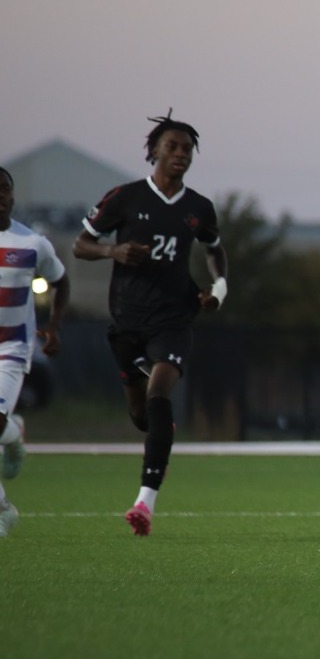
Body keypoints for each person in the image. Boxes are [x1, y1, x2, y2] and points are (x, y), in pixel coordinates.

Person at [73, 113, 229, 536]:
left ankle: (144, 503)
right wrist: (114, 251)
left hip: (174, 318)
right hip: (127, 320)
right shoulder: (125, 198)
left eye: (187, 149)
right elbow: (81, 245)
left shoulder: (198, 207)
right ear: (154, 150)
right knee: (142, 416)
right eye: (172, 147)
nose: (180, 154)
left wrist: (218, 289)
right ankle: (160, 430)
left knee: (160, 395)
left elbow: (215, 249)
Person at [0, 167, 73, 536]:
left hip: (12, 348)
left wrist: (54, 328)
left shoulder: (32, 244)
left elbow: (62, 282)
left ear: (13, 196)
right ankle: (12, 432)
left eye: (4, 189)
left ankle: (4, 513)